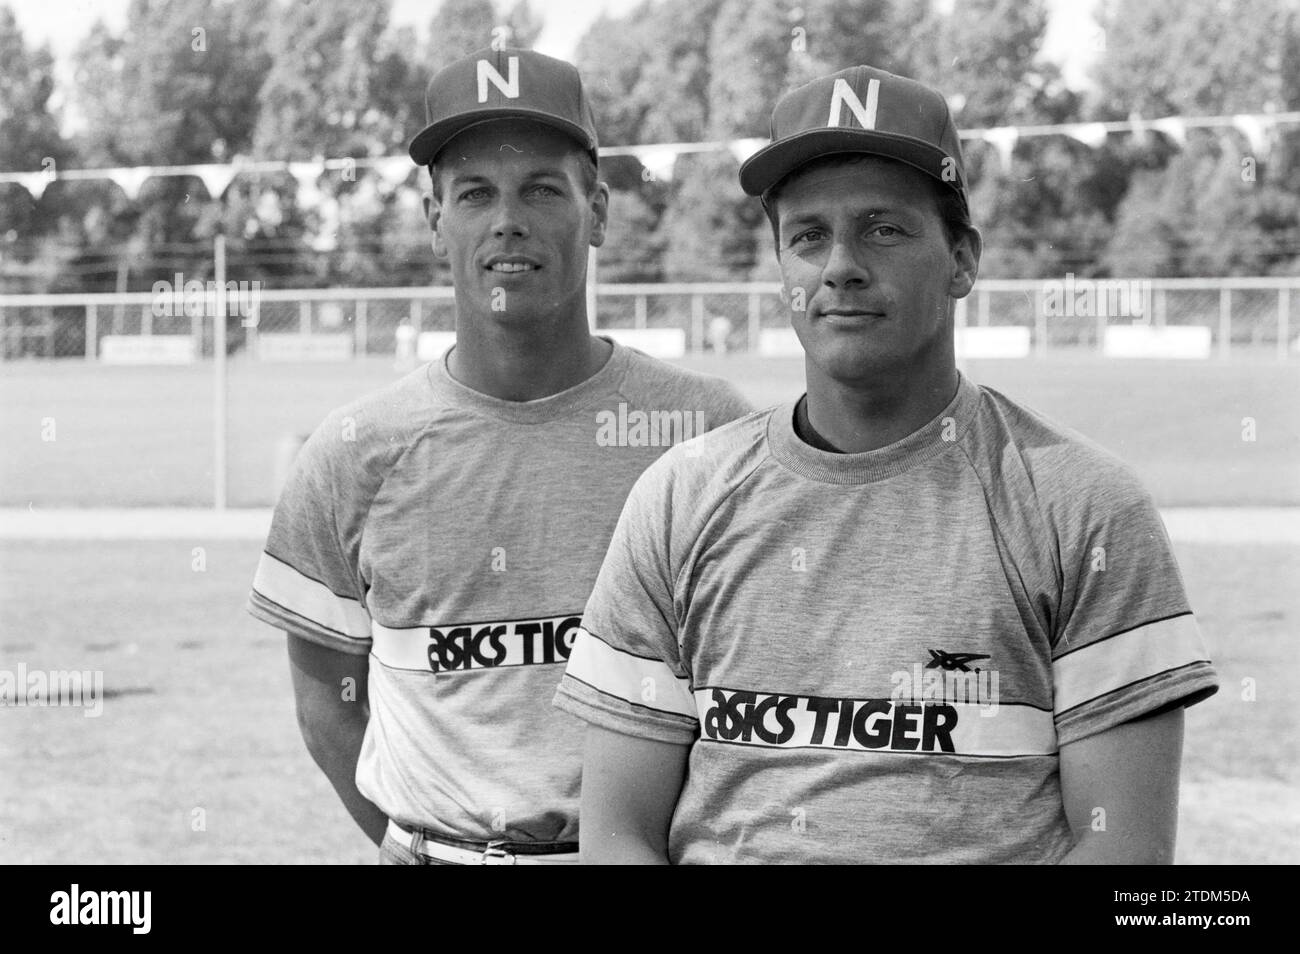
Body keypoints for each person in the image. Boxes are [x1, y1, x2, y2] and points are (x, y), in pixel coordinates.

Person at [555, 65, 1219, 864]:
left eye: (884, 228)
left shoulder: (1083, 506)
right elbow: (618, 834)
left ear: (962, 260)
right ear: (781, 269)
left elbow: (1126, 853)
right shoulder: (679, 497)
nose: (841, 264)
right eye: (808, 235)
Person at [245, 47, 751, 865]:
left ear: (600, 211)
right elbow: (327, 706)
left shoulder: (706, 429)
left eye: (542, 189)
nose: (506, 220)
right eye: (474, 192)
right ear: (434, 219)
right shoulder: (354, 453)